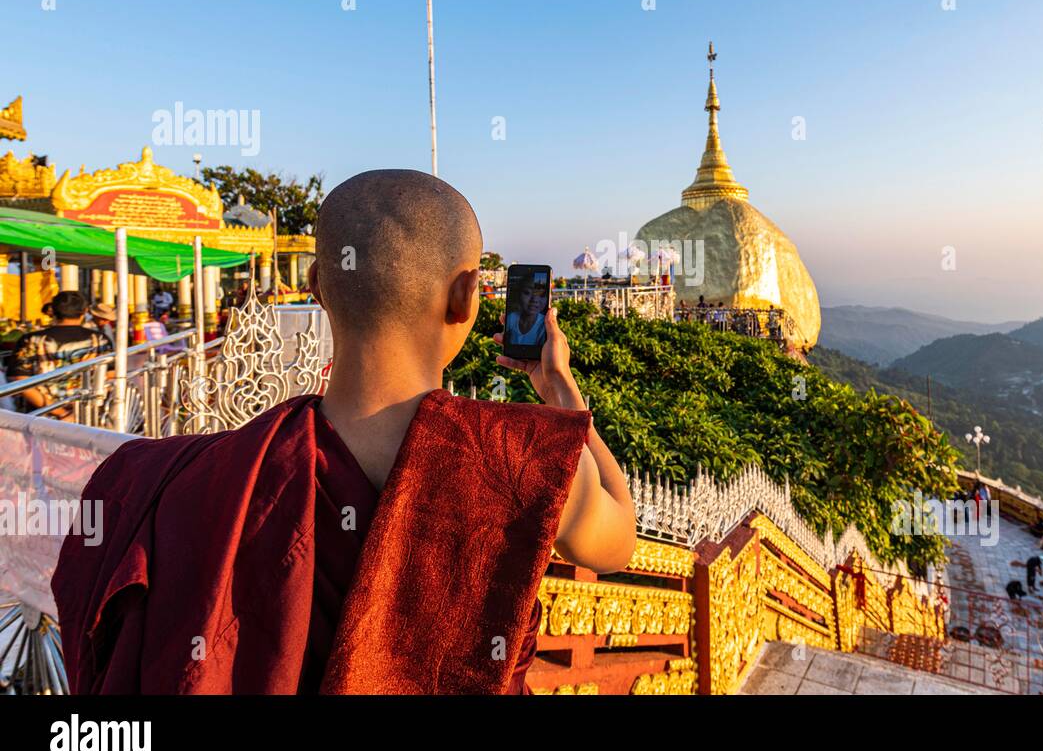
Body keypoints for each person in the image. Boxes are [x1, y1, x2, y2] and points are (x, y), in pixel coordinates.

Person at [53, 170, 638, 694]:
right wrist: (560, 392)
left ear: (316, 285)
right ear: (466, 298)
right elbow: (616, 546)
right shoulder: (521, 452)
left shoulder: (191, 477)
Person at [6, 291, 112, 419]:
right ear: (85, 311)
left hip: (42, 417)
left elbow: (19, 380)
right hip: (89, 415)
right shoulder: (100, 339)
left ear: (53, 311)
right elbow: (110, 375)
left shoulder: (31, 339)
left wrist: (61, 413)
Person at [505, 279, 547, 346]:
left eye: (542, 294)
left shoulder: (546, 325)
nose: (534, 300)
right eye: (527, 292)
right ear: (518, 295)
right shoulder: (511, 318)